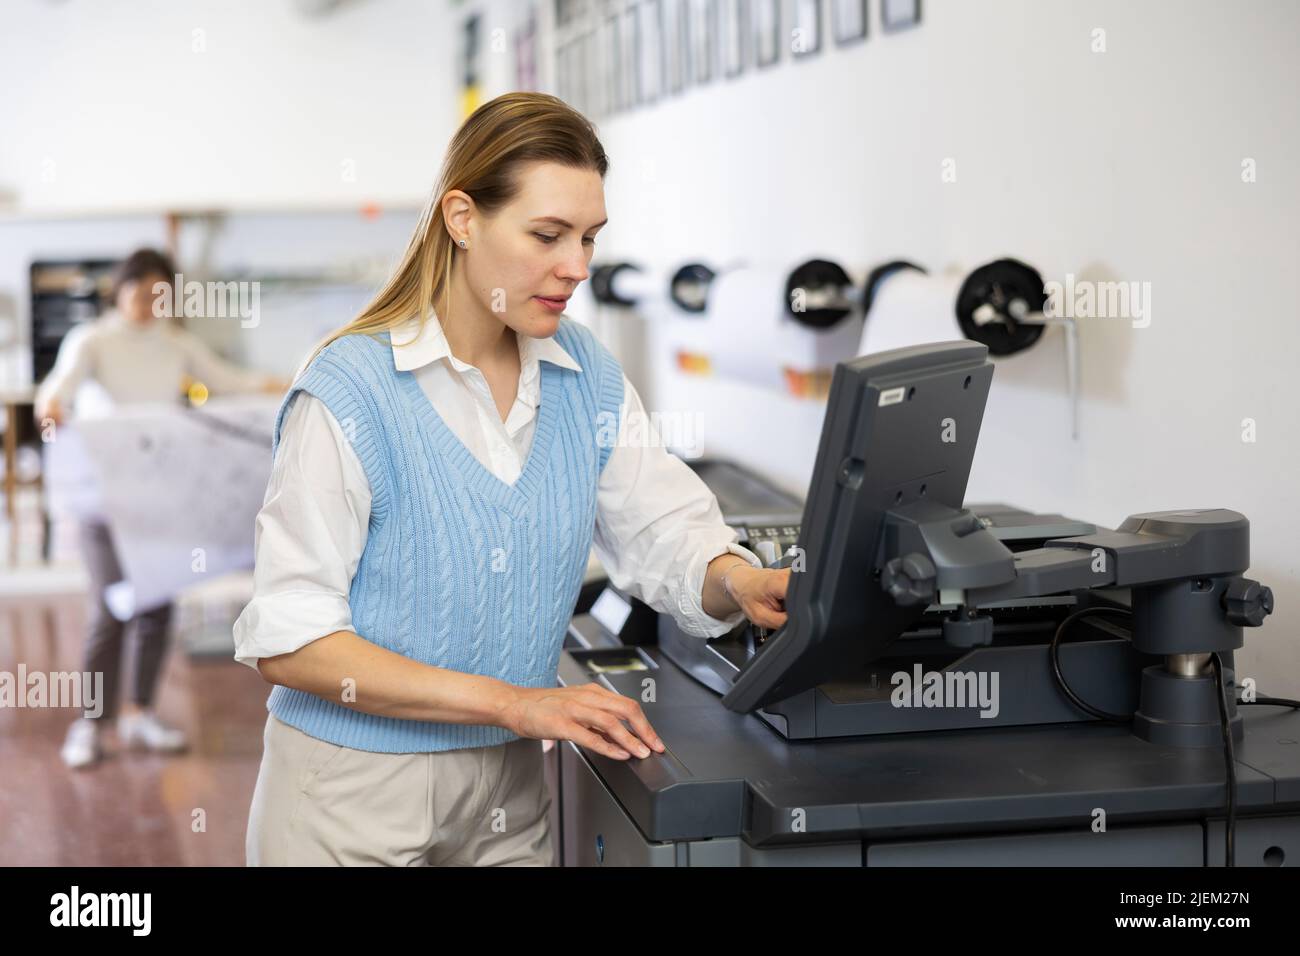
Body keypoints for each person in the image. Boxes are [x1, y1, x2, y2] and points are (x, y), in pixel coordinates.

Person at [235, 92, 791, 867]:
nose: (578, 268)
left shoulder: (584, 374)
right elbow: (293, 642)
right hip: (348, 792)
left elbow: (666, 531)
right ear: (462, 219)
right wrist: (516, 702)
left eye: (590, 238)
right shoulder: (350, 391)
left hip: (505, 788)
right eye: (548, 235)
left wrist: (738, 579)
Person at [34, 247, 288, 770]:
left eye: (158, 294)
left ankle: (139, 711)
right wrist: (51, 407)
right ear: (119, 291)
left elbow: (230, 383)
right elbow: (58, 389)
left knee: (155, 606)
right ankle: (91, 722)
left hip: (158, 500)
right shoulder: (93, 341)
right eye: (139, 292)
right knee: (110, 609)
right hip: (102, 501)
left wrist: (287, 383)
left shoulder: (175, 344)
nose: (148, 303)